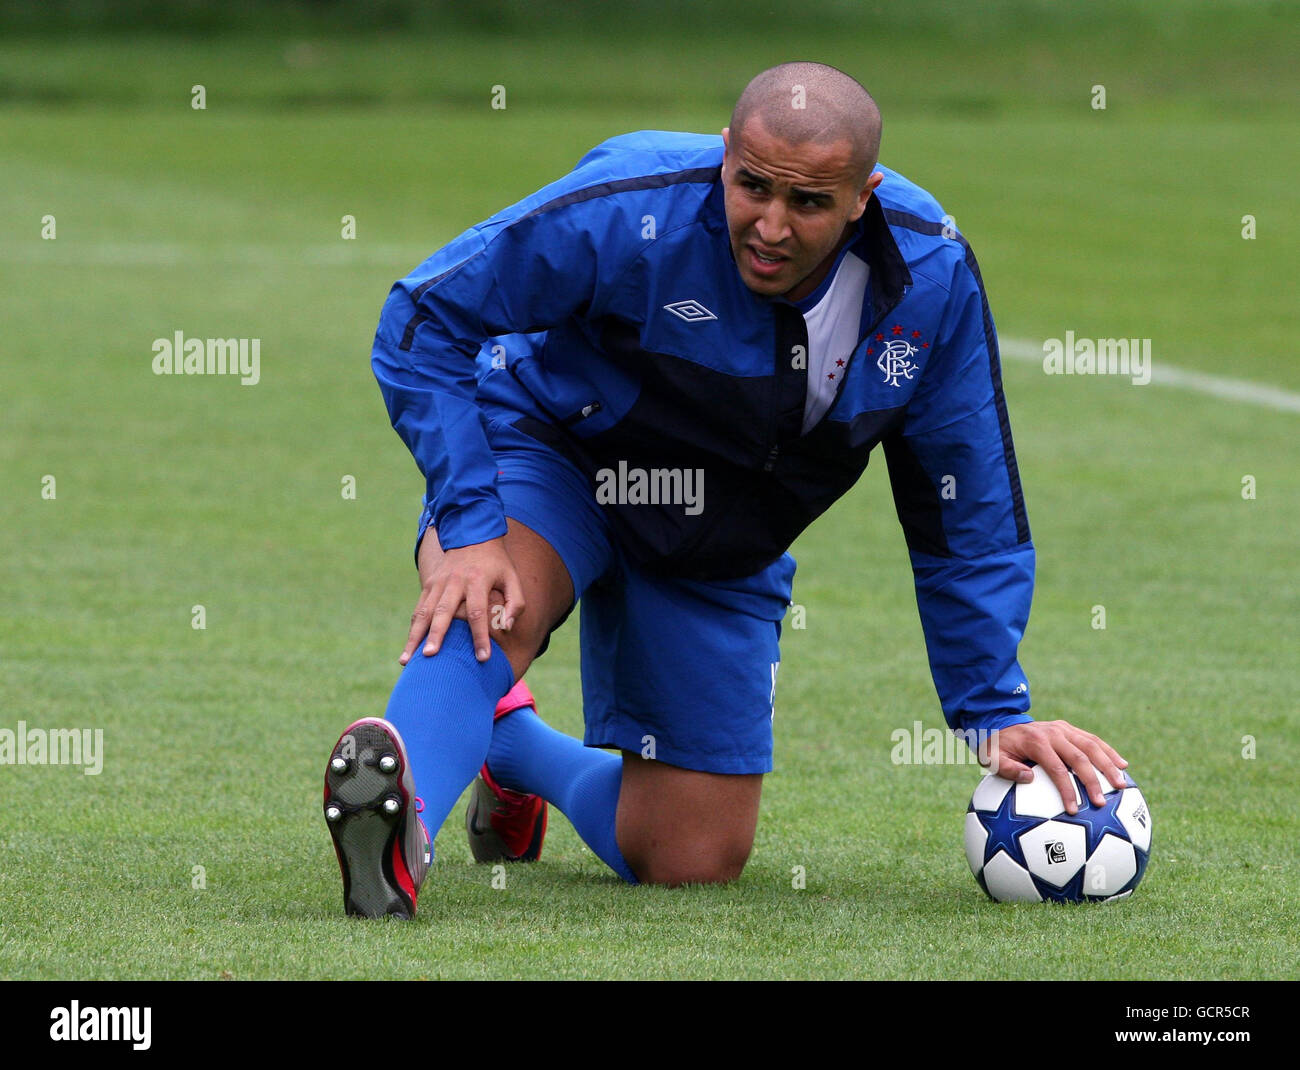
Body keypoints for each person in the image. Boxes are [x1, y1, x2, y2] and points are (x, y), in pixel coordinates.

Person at [321, 61, 1129, 919]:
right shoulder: (628, 205)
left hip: (721, 532)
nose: (772, 226)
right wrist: (472, 524)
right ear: (724, 156)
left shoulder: (930, 281)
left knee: (690, 857)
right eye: (752, 186)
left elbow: (963, 500)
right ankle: (402, 843)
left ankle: (514, 749)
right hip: (559, 448)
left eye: (810, 203)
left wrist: (993, 707)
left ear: (865, 196)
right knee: (496, 602)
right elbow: (422, 317)